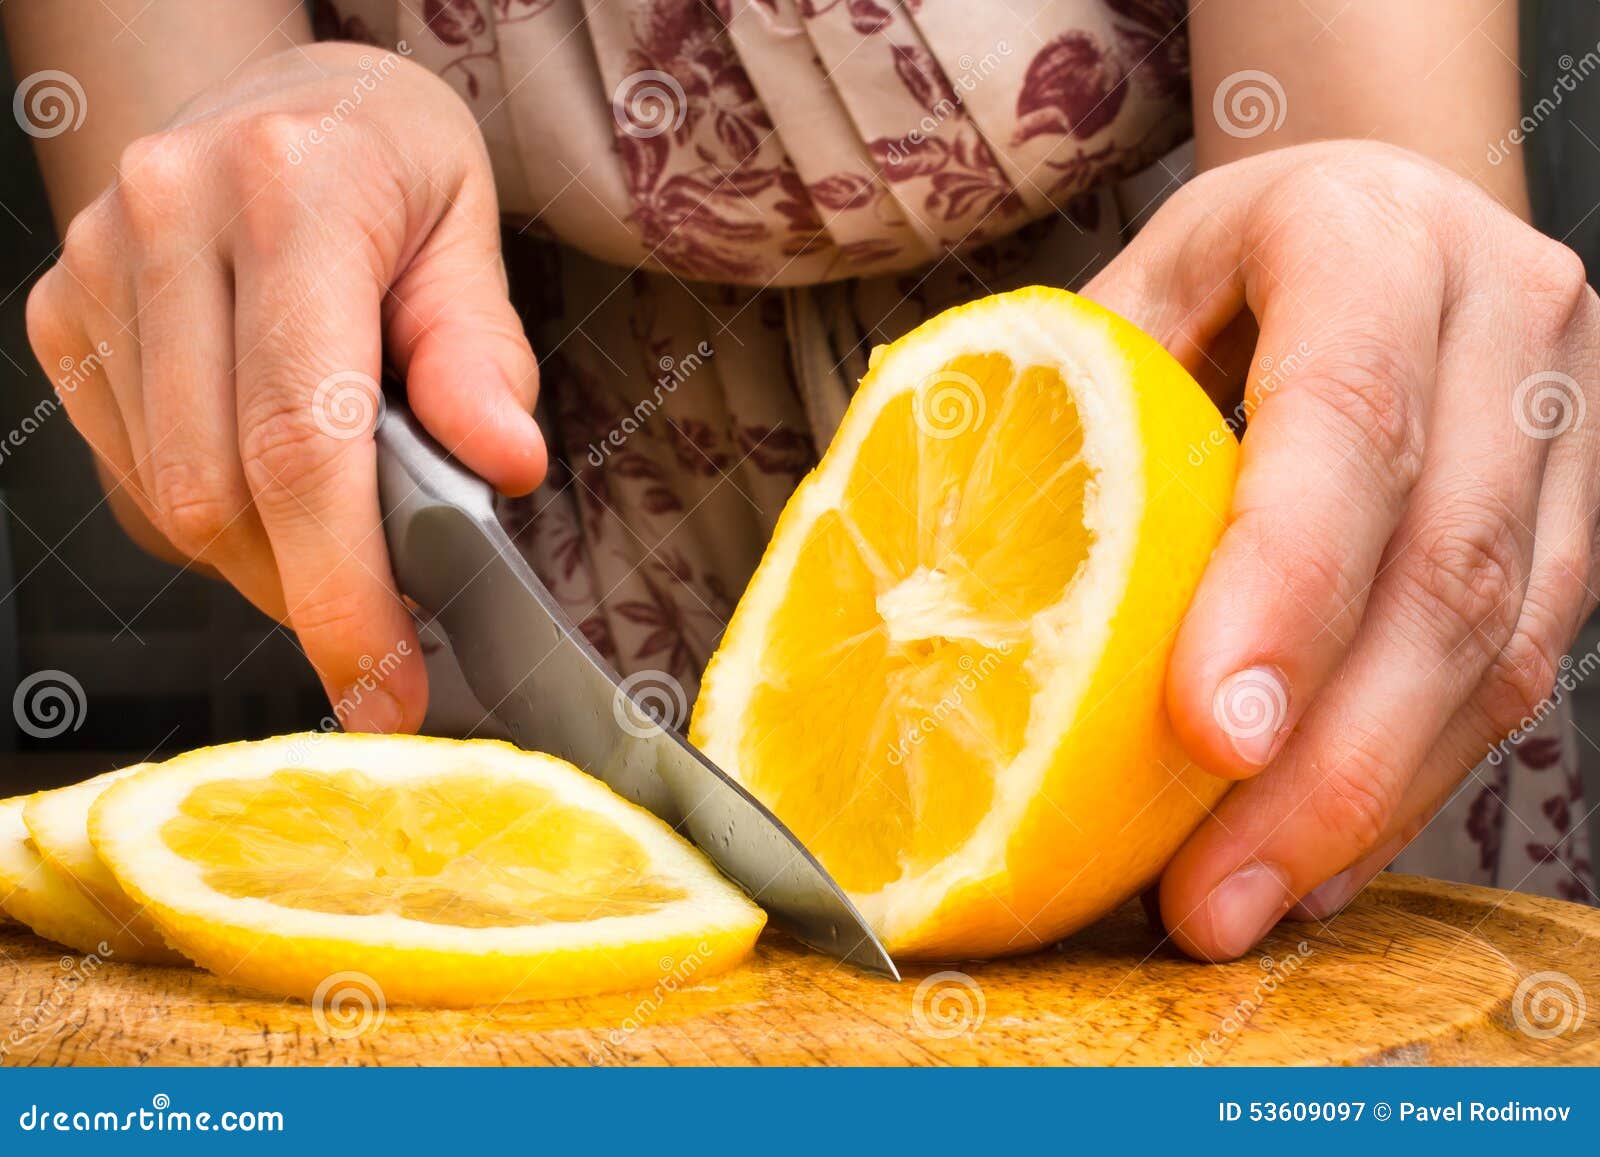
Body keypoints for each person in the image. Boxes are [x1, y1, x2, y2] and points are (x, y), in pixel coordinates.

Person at [6, 0, 1594, 962]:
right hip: (542, 618)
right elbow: (176, 406)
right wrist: (266, 208)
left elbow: (1384, 161)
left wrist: (1395, 255)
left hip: (1219, 573)